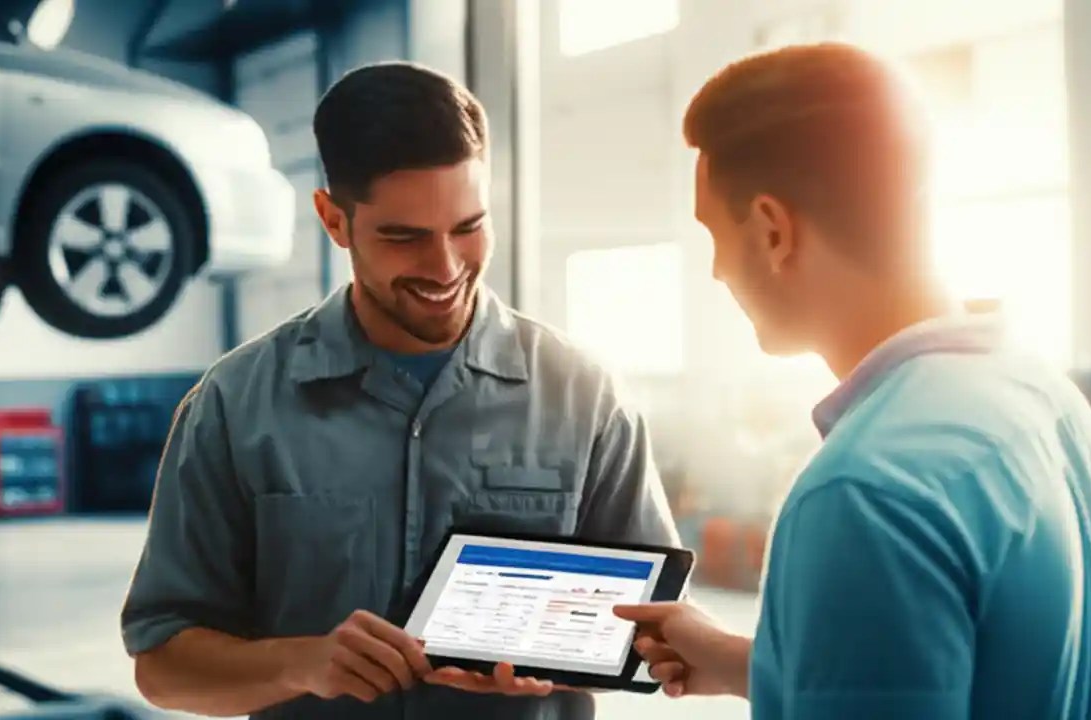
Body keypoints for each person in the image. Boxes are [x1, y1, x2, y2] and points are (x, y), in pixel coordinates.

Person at [121, 61, 680, 720]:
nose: (445, 268)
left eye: (468, 227)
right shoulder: (234, 406)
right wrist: (299, 662)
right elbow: (163, 664)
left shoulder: (587, 397)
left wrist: (555, 659)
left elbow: (661, 638)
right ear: (333, 220)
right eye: (404, 237)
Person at [614, 42, 1091, 720]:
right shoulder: (1044, 397)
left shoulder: (863, 492)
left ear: (772, 230)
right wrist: (740, 660)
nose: (717, 270)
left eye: (713, 234)